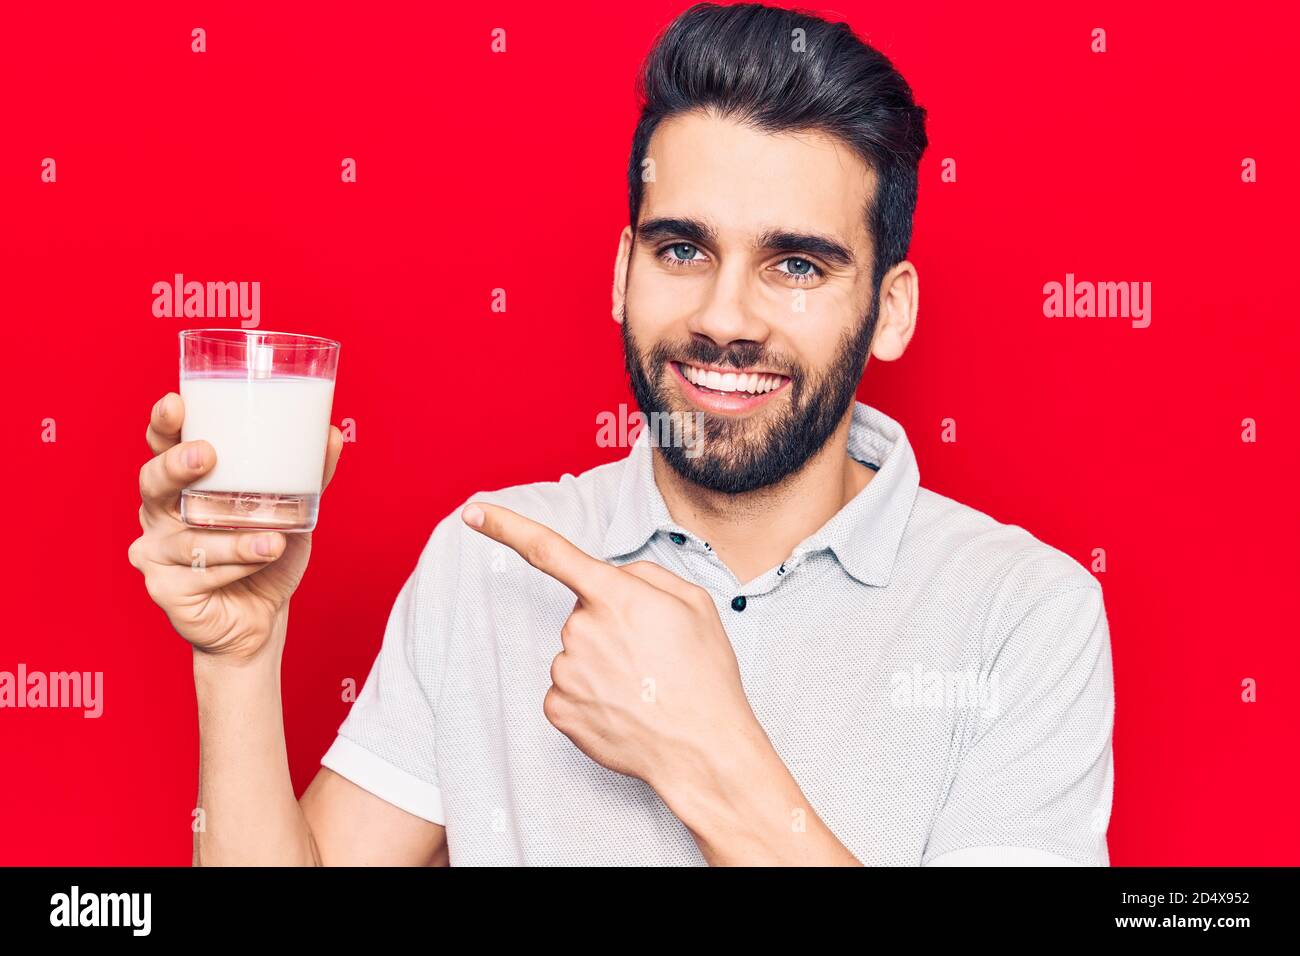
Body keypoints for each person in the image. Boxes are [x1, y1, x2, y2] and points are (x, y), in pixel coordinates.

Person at [129, 2, 1114, 866]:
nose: (726, 315)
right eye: (681, 248)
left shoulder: (1023, 615)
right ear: (620, 273)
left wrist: (706, 750)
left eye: (797, 266)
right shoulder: (486, 562)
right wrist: (241, 662)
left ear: (889, 309)